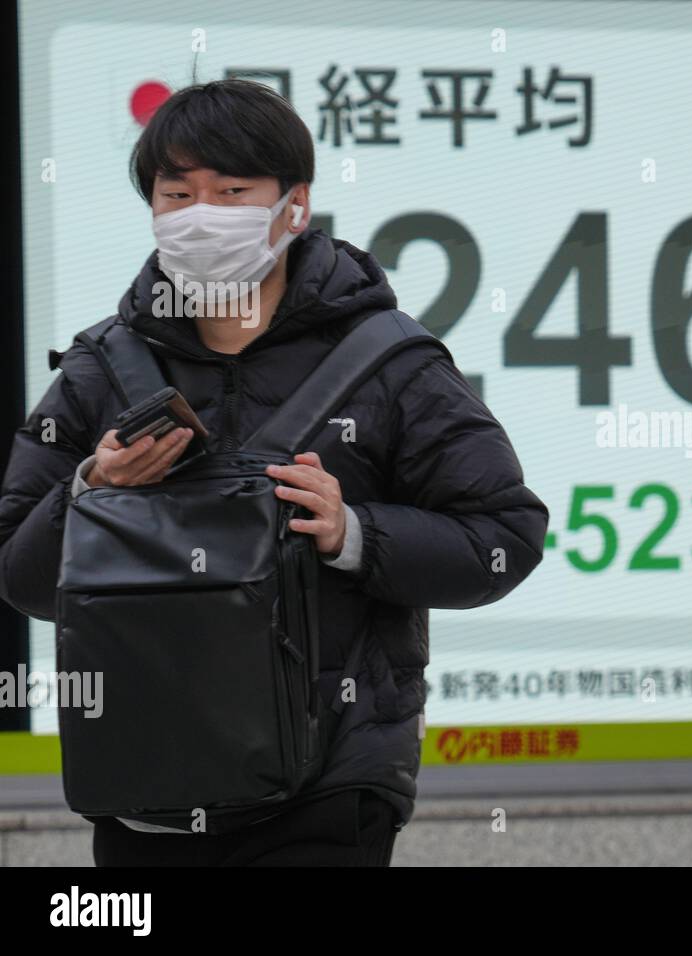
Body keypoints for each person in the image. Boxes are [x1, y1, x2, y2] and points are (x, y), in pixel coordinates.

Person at [0, 78, 548, 865]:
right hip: (143, 784)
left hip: (329, 786)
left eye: (231, 192)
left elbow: (504, 536)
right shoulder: (100, 368)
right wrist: (91, 494)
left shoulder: (387, 360)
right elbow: (18, 576)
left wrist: (352, 533)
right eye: (176, 193)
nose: (200, 216)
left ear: (295, 206)